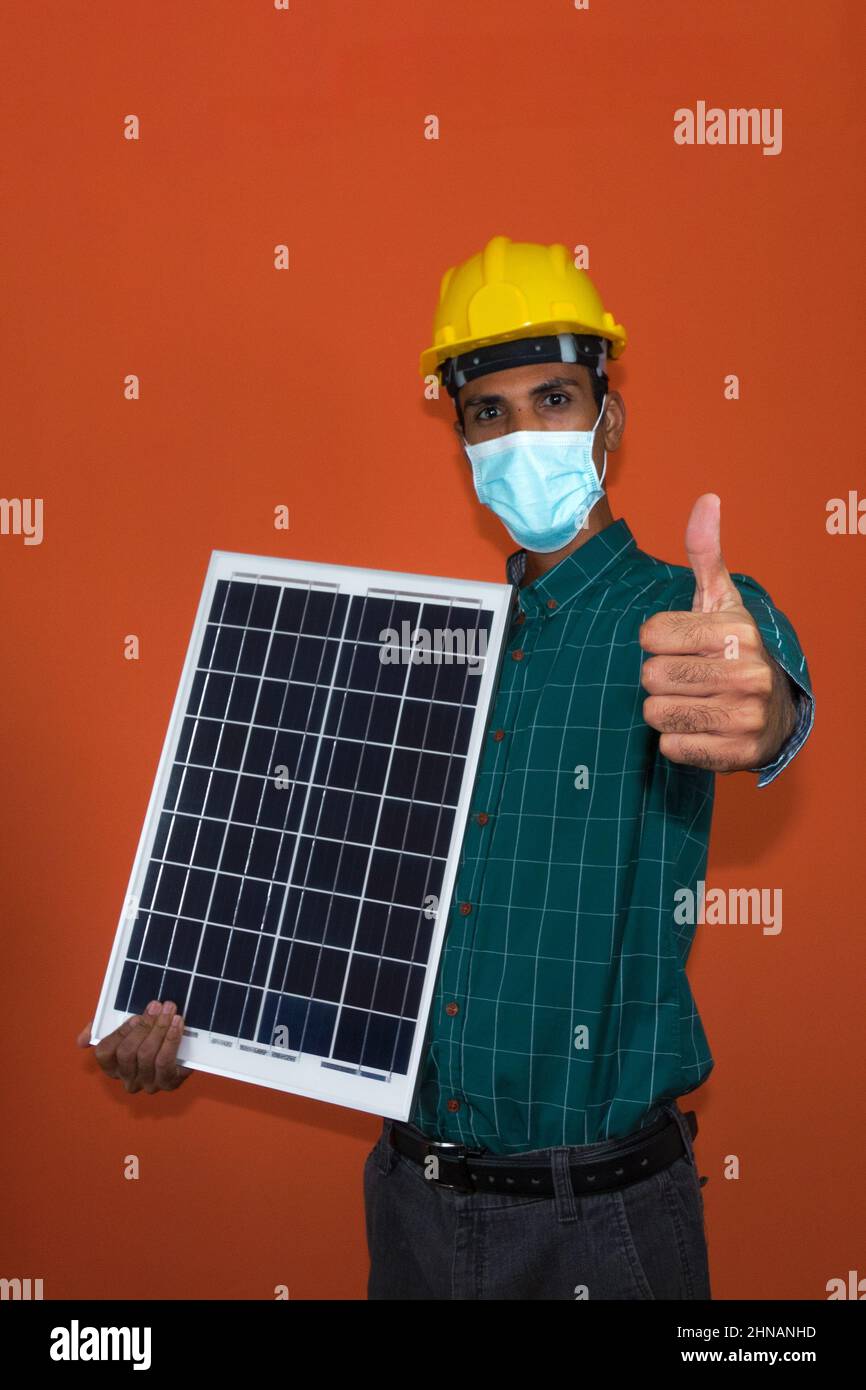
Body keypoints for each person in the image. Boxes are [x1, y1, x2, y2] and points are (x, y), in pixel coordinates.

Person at [77, 234, 814, 1302]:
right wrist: (203, 1015)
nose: (521, 436)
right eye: (488, 413)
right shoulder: (419, 656)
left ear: (608, 416)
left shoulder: (682, 620)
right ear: (460, 438)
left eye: (553, 398)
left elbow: (762, 690)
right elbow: (311, 901)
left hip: (602, 1227)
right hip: (412, 1209)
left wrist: (764, 704)